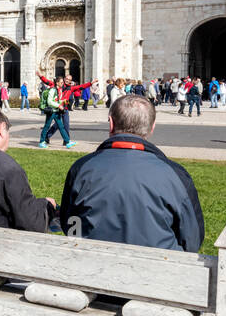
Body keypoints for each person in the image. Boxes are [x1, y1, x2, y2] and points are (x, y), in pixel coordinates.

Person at [58, 95, 204, 253]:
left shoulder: (81, 168)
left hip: (93, 267)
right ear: (152, 127)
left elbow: (70, 224)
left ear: (111, 123)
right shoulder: (175, 174)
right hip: (158, 271)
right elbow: (192, 240)